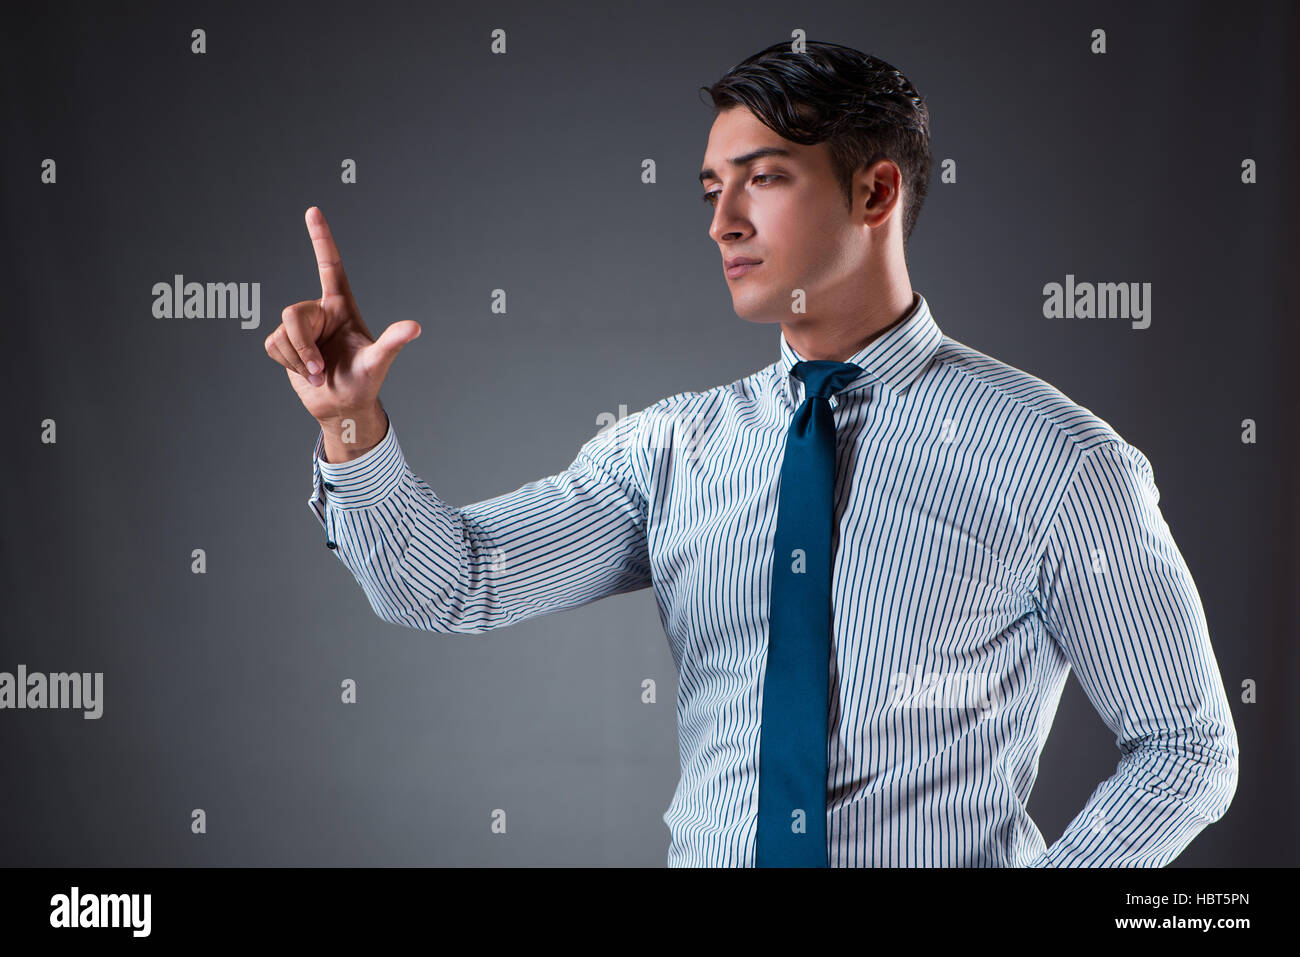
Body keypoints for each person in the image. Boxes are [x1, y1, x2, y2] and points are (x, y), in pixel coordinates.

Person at [265, 40, 1238, 867]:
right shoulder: (671, 450)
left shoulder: (1055, 461)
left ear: (875, 190)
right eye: (710, 188)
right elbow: (454, 581)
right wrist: (349, 426)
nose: (721, 220)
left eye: (763, 179)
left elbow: (1184, 747)